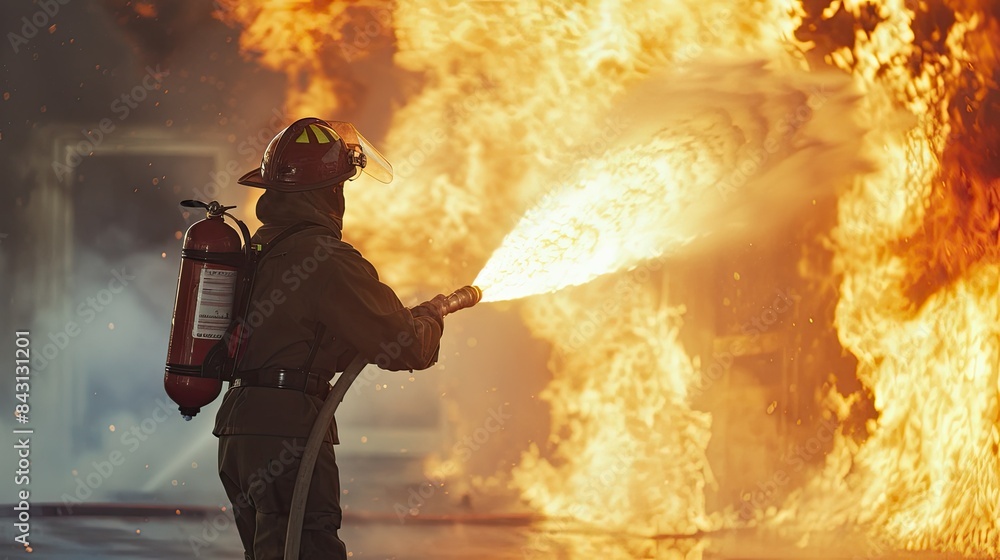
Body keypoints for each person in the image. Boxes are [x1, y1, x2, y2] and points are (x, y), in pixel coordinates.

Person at [212, 117, 446, 559]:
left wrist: (397, 321)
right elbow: (406, 347)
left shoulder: (261, 249)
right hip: (288, 432)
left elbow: (308, 340)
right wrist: (430, 319)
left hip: (239, 433)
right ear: (329, 193)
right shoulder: (325, 258)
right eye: (339, 187)